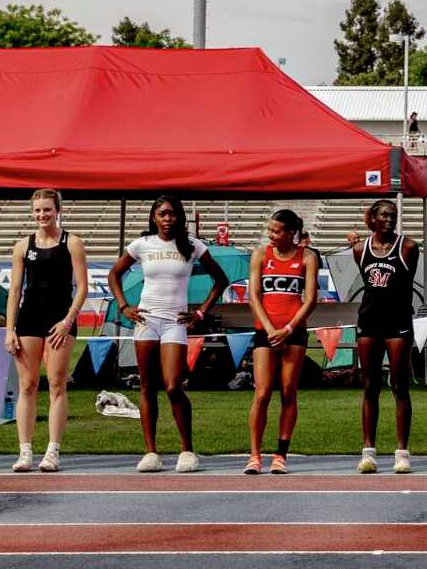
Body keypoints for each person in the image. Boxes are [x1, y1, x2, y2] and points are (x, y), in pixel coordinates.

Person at [108, 196, 228, 474]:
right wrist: (124, 305)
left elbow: (220, 280)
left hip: (175, 321)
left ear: (180, 218)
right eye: (162, 214)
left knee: (173, 385)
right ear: (153, 217)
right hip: (147, 319)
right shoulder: (142, 245)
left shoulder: (193, 245)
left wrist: (200, 313)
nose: (167, 218)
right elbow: (114, 274)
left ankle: (187, 449)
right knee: (148, 386)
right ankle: (151, 452)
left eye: (172, 214)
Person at [4, 188, 88, 473]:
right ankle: (25, 451)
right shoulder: (22, 246)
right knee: (27, 385)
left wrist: (67, 321)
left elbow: (82, 288)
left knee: (56, 384)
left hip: (60, 320)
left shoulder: (72, 242)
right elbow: (14, 290)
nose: (42, 215)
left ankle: (53, 451)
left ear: (57, 210)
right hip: (29, 318)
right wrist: (9, 329)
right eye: (38, 210)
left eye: (47, 210)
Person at [244, 209, 318, 475]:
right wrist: (270, 329)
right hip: (266, 330)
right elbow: (254, 296)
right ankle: (254, 455)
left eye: (276, 231)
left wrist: (287, 329)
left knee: (288, 390)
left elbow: (310, 299)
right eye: (270, 230)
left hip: (293, 330)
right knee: (262, 392)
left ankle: (280, 454)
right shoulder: (260, 255)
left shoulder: (307, 257)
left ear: (290, 233)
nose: (271, 235)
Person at [349, 199, 419, 474]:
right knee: (369, 386)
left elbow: (404, 284)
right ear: (374, 218)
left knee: (400, 385)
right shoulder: (360, 249)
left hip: (398, 322)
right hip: (369, 321)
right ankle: (368, 451)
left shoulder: (408, 247)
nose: (390, 220)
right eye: (385, 215)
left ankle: (402, 452)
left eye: (394, 215)